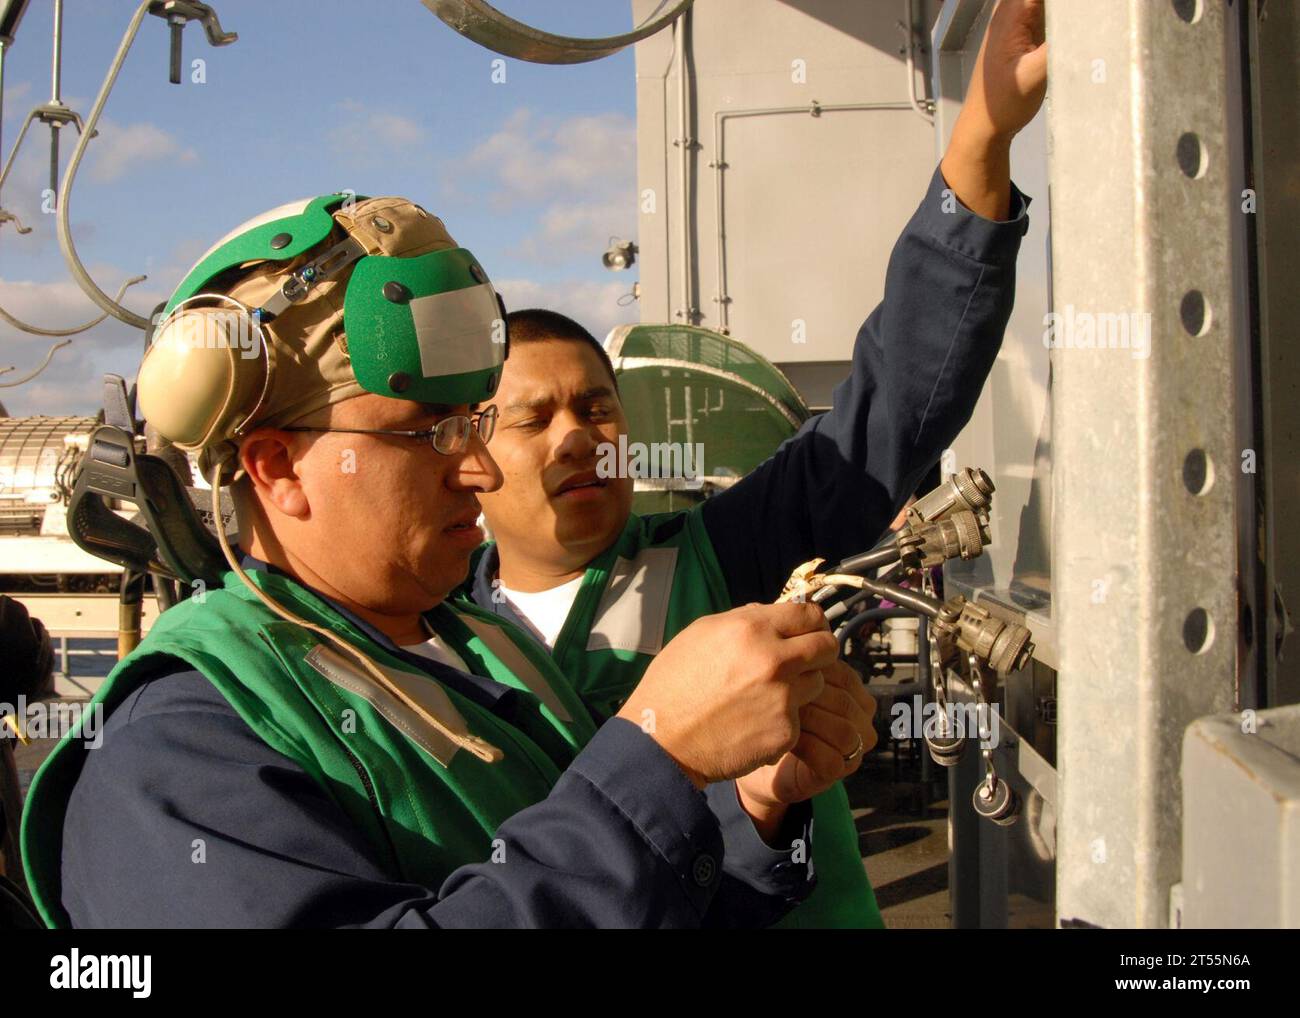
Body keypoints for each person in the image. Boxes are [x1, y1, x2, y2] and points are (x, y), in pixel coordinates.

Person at [20, 194, 874, 928]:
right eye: (429, 433)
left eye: (472, 422)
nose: (482, 466)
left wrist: (750, 809)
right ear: (277, 469)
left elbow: (636, 902)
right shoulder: (175, 750)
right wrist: (659, 758)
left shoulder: (476, 641)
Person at [461, 0, 1047, 928]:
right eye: (534, 418)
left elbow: (892, 402)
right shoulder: (443, 649)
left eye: (599, 406)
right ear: (470, 456)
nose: (579, 435)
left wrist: (979, 136)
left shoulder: (726, 555)